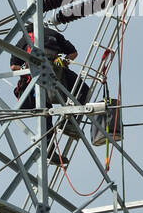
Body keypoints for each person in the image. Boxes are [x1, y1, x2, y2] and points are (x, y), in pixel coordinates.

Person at [10, 25, 90, 166]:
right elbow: (73, 53)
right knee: (82, 89)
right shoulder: (54, 34)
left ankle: (49, 147)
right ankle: (69, 124)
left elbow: (13, 66)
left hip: (36, 79)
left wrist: (26, 67)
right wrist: (63, 62)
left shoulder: (25, 38)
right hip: (55, 74)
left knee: (45, 111)